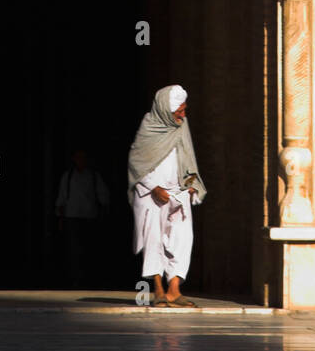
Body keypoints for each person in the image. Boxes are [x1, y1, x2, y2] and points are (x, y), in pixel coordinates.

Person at [127, 84, 205, 307]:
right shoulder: (149, 125)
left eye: (184, 109)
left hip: (177, 191)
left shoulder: (181, 125)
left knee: (183, 238)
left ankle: (174, 289)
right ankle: (158, 290)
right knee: (154, 239)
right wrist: (154, 187)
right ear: (164, 110)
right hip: (152, 193)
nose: (182, 115)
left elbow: (187, 157)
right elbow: (136, 160)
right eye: (178, 111)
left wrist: (190, 184)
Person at [55, 148, 109, 287]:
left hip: (89, 217)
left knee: (89, 250)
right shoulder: (68, 176)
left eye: (83, 157)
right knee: (74, 251)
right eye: (78, 157)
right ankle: (75, 280)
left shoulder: (93, 176)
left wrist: (102, 213)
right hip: (72, 217)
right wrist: (60, 218)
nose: (81, 161)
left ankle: (89, 279)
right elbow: (62, 198)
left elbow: (103, 197)